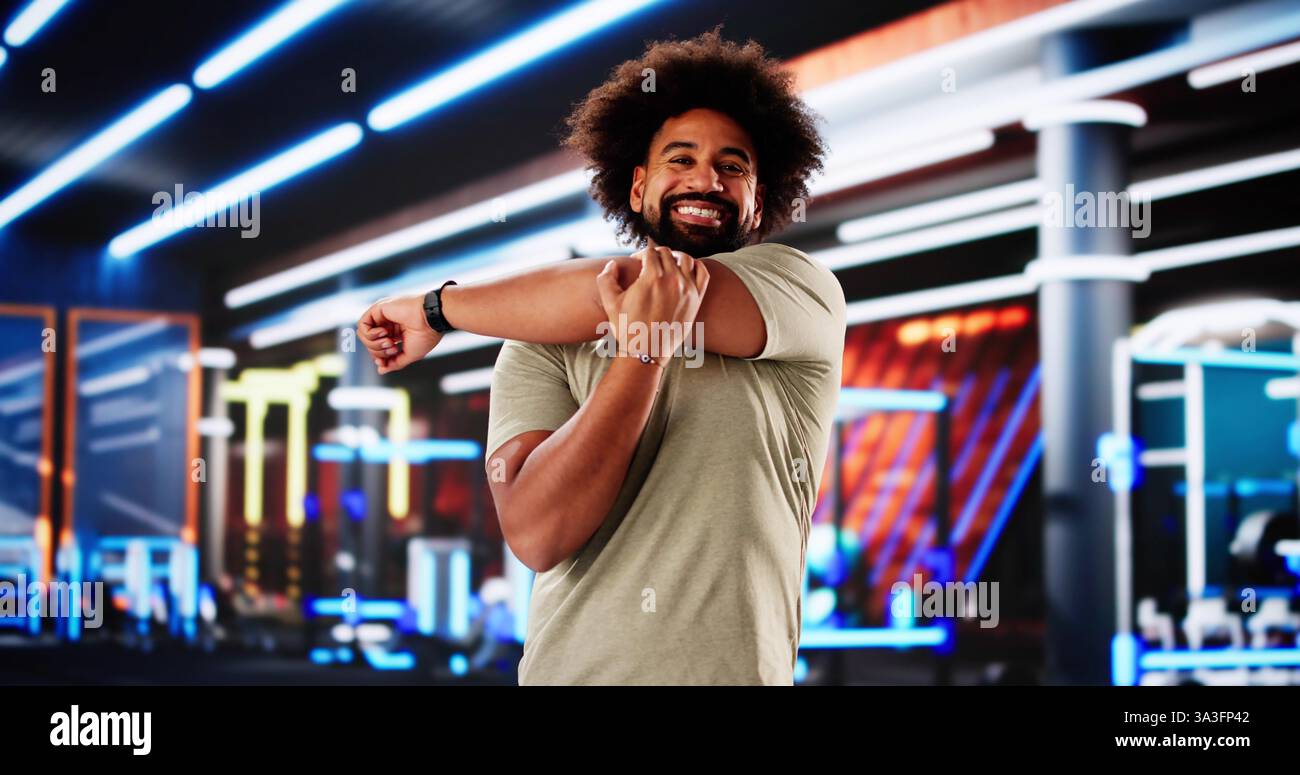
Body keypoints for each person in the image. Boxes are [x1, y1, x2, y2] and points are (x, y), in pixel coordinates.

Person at [357, 29, 845, 684]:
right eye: (681, 159)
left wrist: (436, 308)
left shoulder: (800, 294)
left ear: (759, 200)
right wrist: (640, 355)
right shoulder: (538, 339)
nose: (708, 177)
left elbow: (646, 287)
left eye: (734, 166)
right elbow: (538, 534)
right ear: (639, 186)